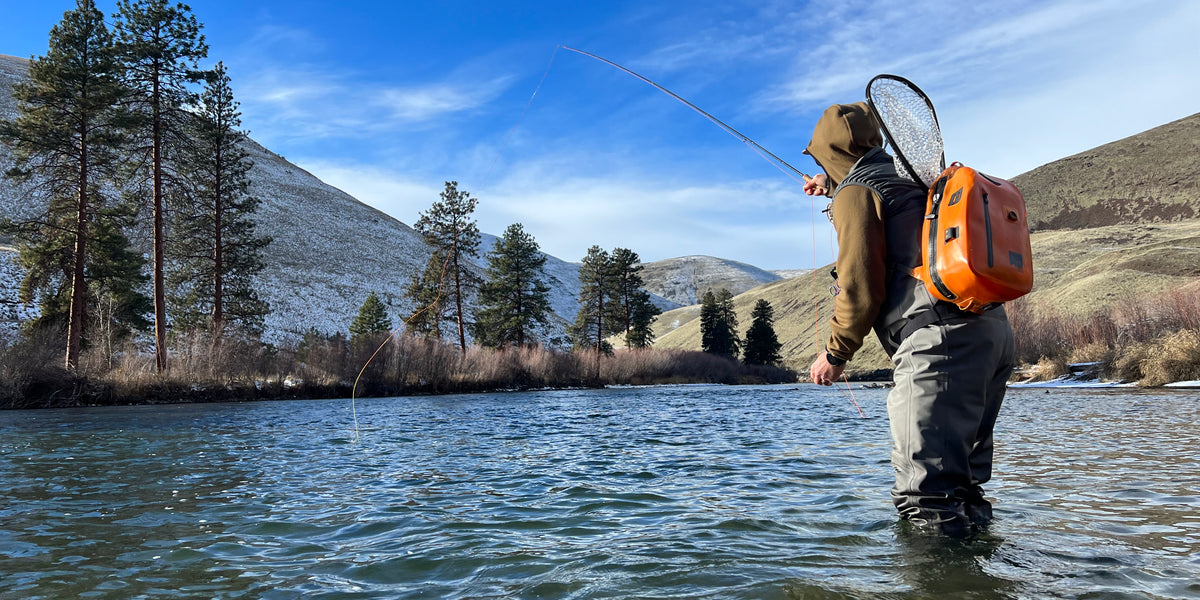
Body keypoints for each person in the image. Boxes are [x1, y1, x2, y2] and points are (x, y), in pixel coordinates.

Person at [803, 102, 1015, 536]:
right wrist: (833, 184)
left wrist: (834, 353)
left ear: (830, 152)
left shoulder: (857, 193)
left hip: (939, 344)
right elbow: (886, 208)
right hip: (990, 334)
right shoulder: (910, 179)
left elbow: (860, 288)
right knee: (963, 488)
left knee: (927, 500)